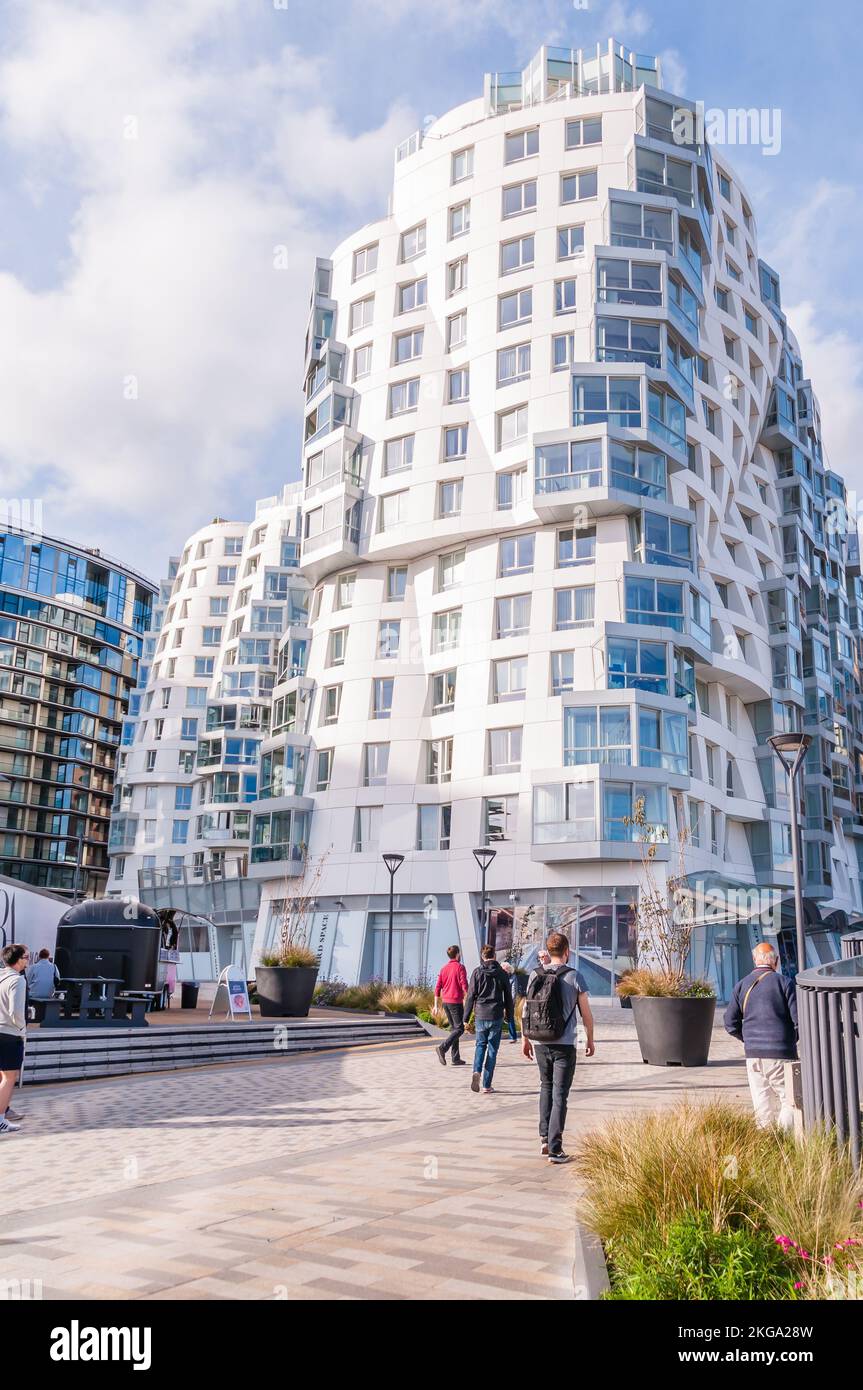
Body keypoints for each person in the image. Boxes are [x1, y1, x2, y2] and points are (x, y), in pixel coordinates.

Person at [522, 932, 594, 1164]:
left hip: (540, 1041)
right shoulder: (574, 976)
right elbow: (586, 1014)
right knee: (560, 1094)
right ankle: (555, 1148)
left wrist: (525, 1039)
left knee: (546, 1087)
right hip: (564, 1044)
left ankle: (544, 1138)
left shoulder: (535, 974)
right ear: (567, 951)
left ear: (548, 950)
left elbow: (526, 1009)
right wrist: (590, 1039)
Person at [723, 941, 798, 1130]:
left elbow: (730, 1023)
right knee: (790, 1100)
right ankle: (784, 1138)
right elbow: (799, 1020)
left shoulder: (741, 985)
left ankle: (766, 1143)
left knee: (762, 1105)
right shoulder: (785, 983)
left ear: (755, 960)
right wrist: (790, 1040)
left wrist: (747, 1039)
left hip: (753, 1056)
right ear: (777, 961)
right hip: (781, 1054)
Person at [463, 944, 513, 1094]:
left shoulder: (477, 972)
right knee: (492, 1049)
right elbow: (508, 997)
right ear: (494, 956)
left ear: (482, 956)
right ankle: (486, 1085)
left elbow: (471, 995)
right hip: (496, 1014)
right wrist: (509, 1016)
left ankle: (476, 1071)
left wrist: (466, 1017)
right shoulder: (502, 973)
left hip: (480, 1014)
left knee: (480, 1045)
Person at [0, 943, 30, 1133]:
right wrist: (22, 1029)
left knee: (2, 1077)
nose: (28, 960)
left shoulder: (1, 977)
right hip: (10, 1034)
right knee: (9, 1078)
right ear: (18, 960)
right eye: (26, 957)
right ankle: (1, 1119)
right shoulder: (17, 980)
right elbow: (16, 1012)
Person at [433, 945, 469, 1067]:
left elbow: (438, 987)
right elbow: (464, 985)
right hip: (455, 1002)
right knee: (459, 1029)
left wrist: (435, 1006)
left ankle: (455, 1058)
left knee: (455, 1029)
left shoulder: (444, 969)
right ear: (457, 954)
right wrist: (469, 998)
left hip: (446, 1003)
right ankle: (442, 1048)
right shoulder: (460, 967)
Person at [26, 948, 60, 1019]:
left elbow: (27, 981)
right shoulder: (54, 966)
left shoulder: (34, 966)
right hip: (49, 993)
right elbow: (58, 979)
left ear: (39, 956)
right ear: (48, 956)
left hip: (34, 993)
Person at [501, 962, 519, 1042]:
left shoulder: (513, 977)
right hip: (500, 1000)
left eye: (504, 970)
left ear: (508, 970)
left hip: (509, 1001)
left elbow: (514, 991)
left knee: (510, 1018)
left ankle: (513, 1037)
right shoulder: (500, 977)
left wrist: (510, 1002)